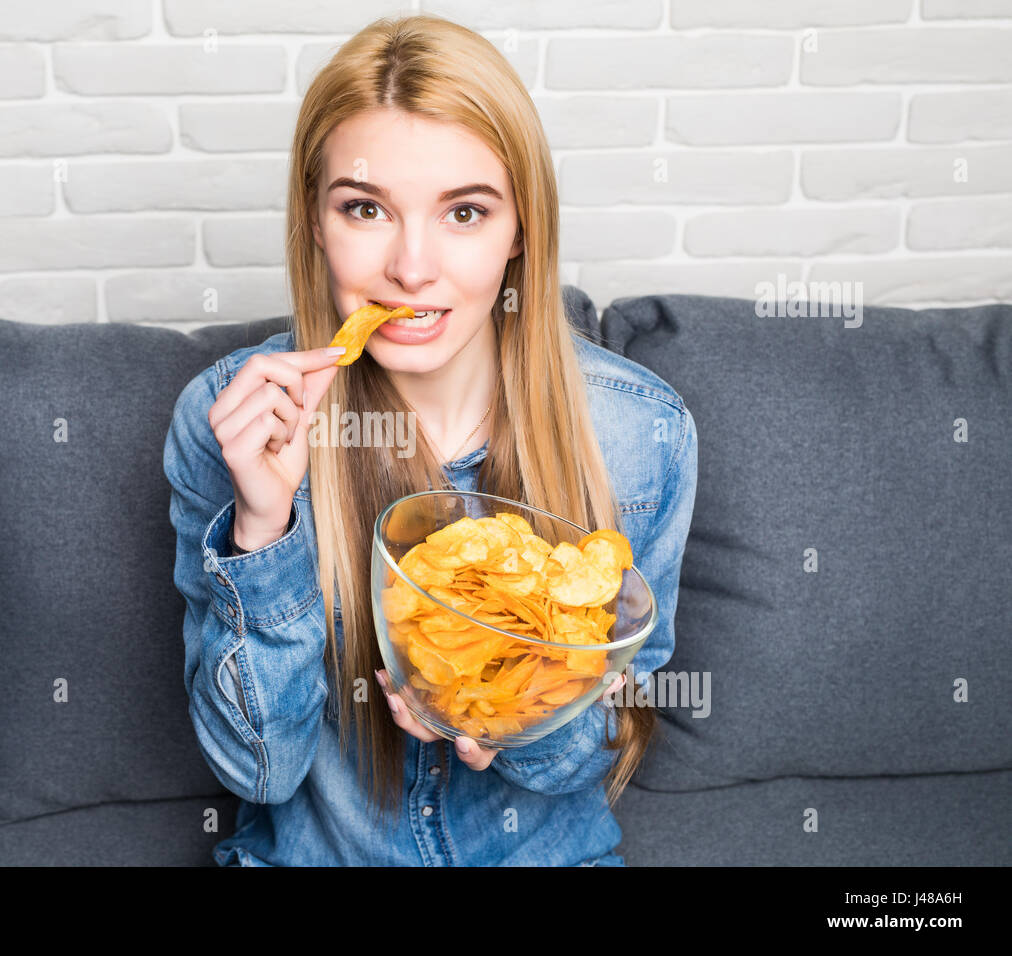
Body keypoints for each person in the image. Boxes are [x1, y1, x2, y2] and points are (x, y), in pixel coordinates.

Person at [163, 13, 697, 866]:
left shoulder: (641, 432)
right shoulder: (232, 420)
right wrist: (263, 533)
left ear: (521, 229)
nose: (412, 269)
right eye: (367, 208)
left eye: (464, 212)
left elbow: (609, 738)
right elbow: (257, 771)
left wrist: (508, 728)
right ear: (313, 220)